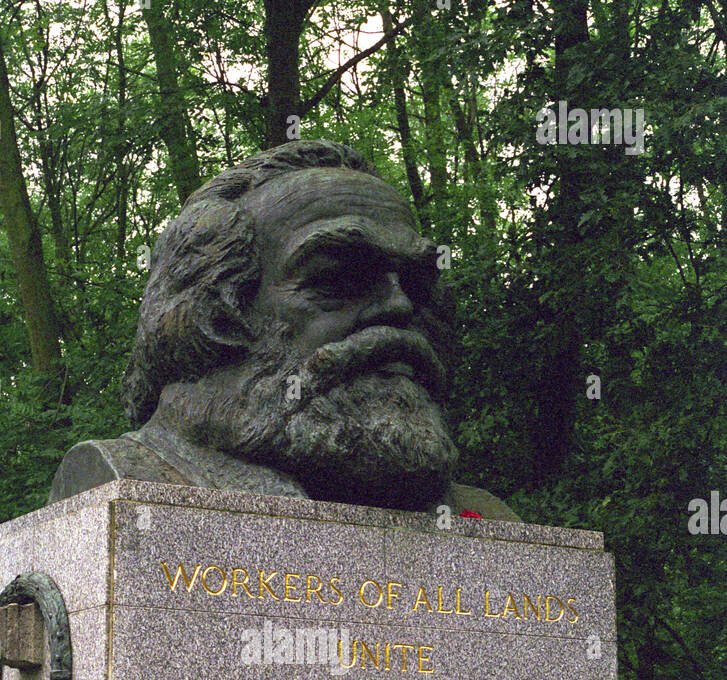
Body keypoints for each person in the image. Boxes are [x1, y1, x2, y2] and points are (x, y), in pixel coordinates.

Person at [50, 140, 518, 520]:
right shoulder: (126, 481)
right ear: (214, 313)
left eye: (414, 283)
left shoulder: (485, 517)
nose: (399, 306)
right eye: (339, 278)